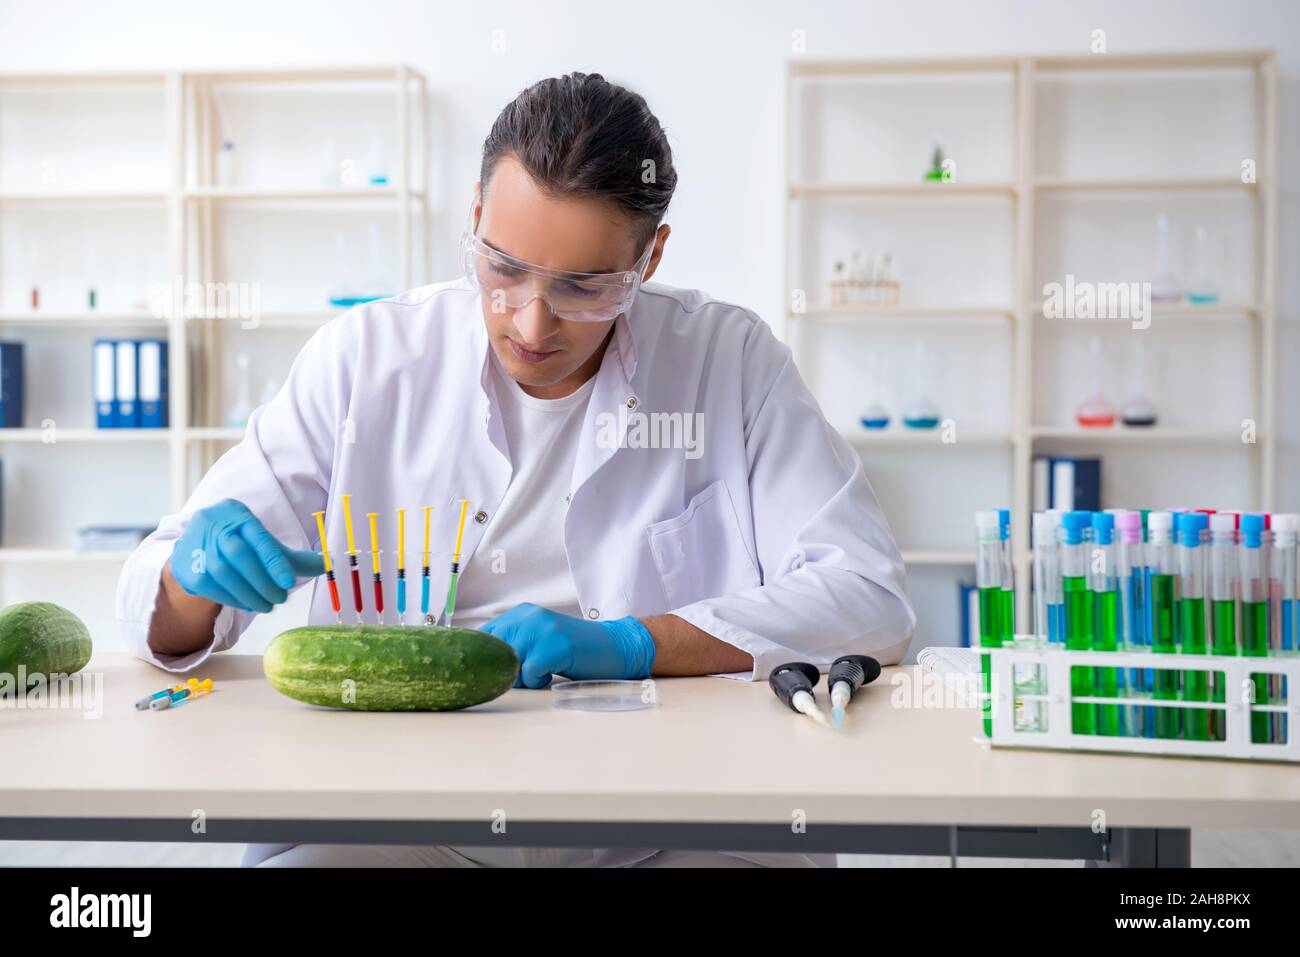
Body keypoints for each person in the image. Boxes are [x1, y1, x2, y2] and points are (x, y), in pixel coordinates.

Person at [116, 72, 914, 868]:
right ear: (474, 217)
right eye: (503, 269)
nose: (532, 322)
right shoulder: (366, 360)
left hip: (673, 809)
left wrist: (637, 643)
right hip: (397, 809)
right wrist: (194, 577)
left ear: (649, 255)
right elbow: (159, 612)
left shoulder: (730, 362)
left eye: (582, 286)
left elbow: (869, 598)